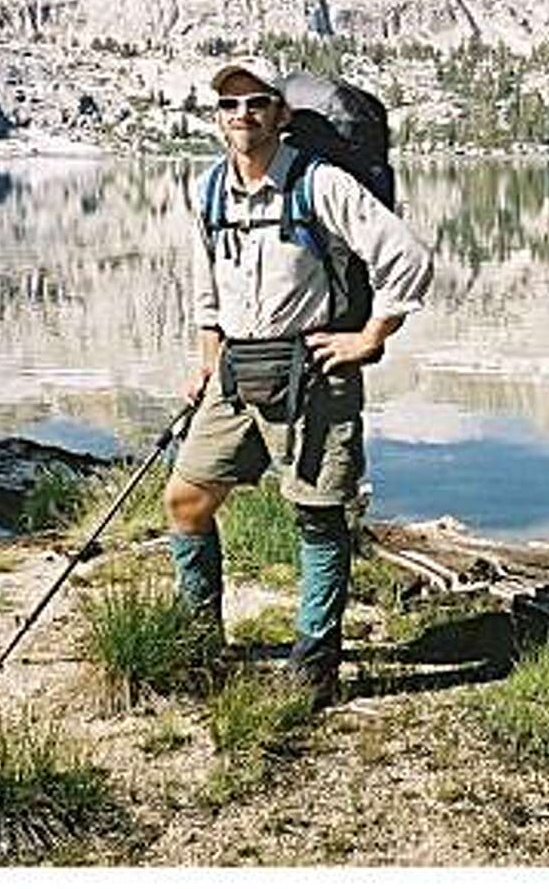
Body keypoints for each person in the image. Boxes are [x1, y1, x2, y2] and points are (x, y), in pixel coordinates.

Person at [164, 53, 434, 707]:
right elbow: (206, 283)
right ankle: (201, 643)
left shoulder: (319, 184)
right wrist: (207, 356)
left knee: (316, 515)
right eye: (229, 104)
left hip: (314, 370)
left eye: (256, 102)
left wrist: (370, 337)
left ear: (281, 115)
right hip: (236, 370)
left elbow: (408, 258)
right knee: (186, 499)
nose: (242, 114)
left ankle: (314, 662)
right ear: (217, 117)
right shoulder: (206, 191)